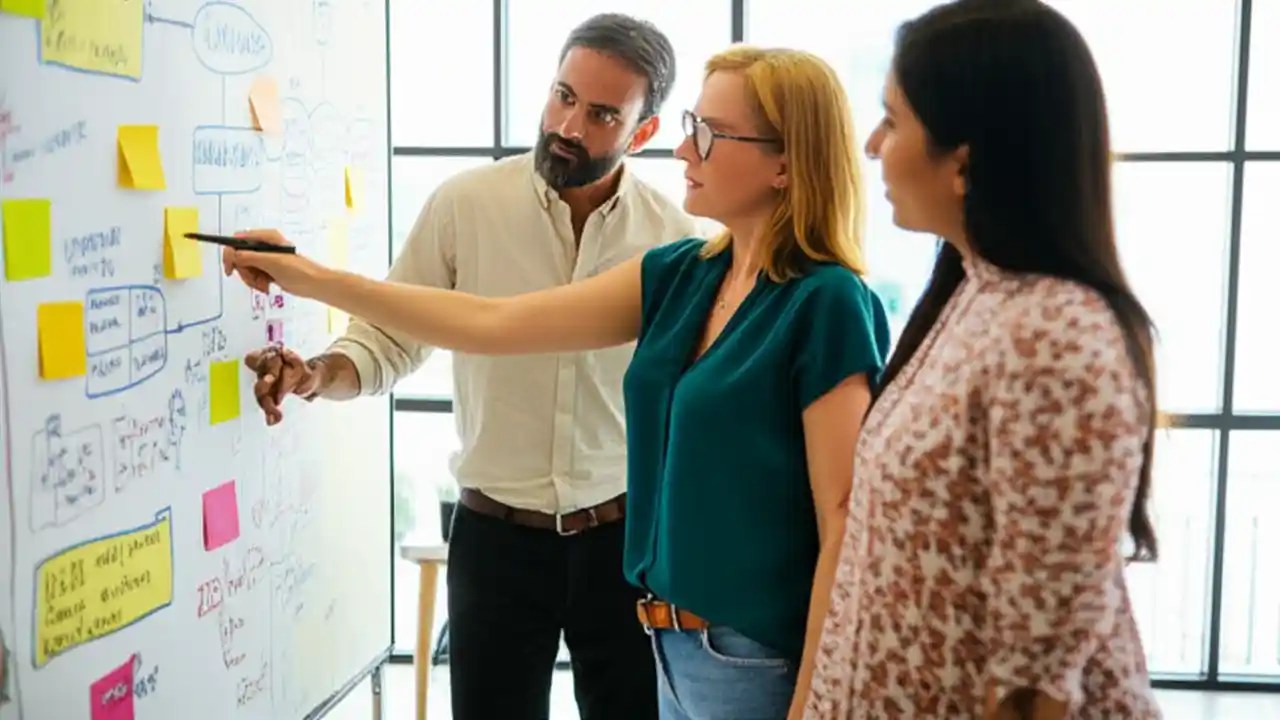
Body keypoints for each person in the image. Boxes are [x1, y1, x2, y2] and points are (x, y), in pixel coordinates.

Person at [224, 45, 889, 720]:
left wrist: (819, 697)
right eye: (693, 125)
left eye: (710, 134)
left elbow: (843, 517)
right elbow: (491, 322)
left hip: (742, 647)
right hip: (664, 639)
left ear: (785, 163)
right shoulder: (685, 273)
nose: (686, 151)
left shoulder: (819, 299)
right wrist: (308, 277)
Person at [238, 14, 698, 720]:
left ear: (643, 132)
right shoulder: (466, 204)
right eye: (563, 96)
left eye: (603, 114)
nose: (568, 126)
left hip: (624, 542)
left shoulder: (674, 240)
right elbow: (388, 339)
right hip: (495, 544)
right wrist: (317, 375)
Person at [802, 2, 1163, 718]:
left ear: (963, 161)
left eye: (892, 121)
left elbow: (1034, 673)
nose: (872, 146)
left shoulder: (1053, 334)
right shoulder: (973, 293)